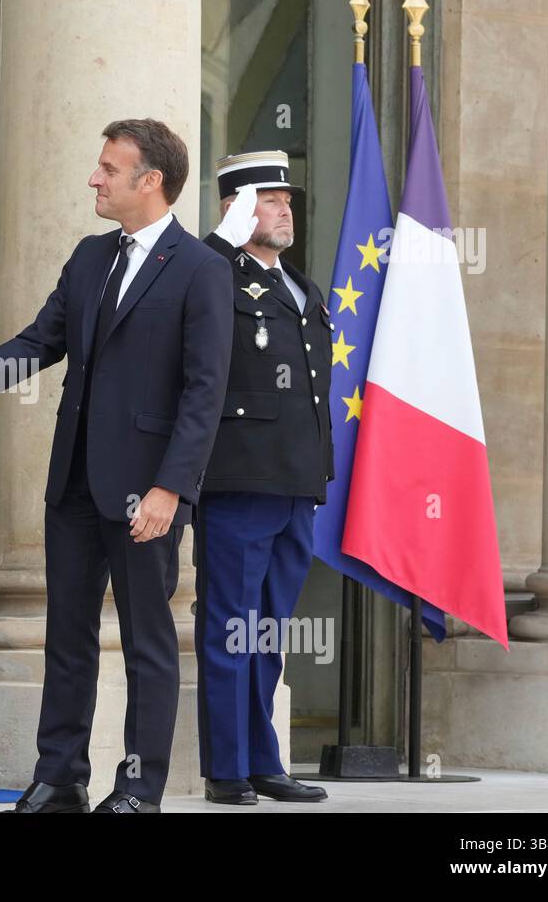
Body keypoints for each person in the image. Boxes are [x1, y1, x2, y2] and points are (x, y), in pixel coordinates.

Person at [0, 119, 232, 812]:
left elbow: (205, 392)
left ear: (150, 181)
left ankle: (137, 787)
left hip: (147, 495)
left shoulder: (202, 269)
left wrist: (169, 488)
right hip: (73, 481)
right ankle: (61, 776)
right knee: (67, 634)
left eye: (108, 167)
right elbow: (39, 341)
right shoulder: (90, 256)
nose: (95, 178)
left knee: (146, 642)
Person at [193, 150, 332, 804]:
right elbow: (183, 284)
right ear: (236, 207)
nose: (285, 210)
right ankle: (226, 770)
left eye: (287, 200)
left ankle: (262, 761)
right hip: (239, 483)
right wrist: (223, 238)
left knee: (268, 635)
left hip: (296, 486)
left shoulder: (301, 288)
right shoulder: (214, 273)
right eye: (269, 199)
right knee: (230, 628)